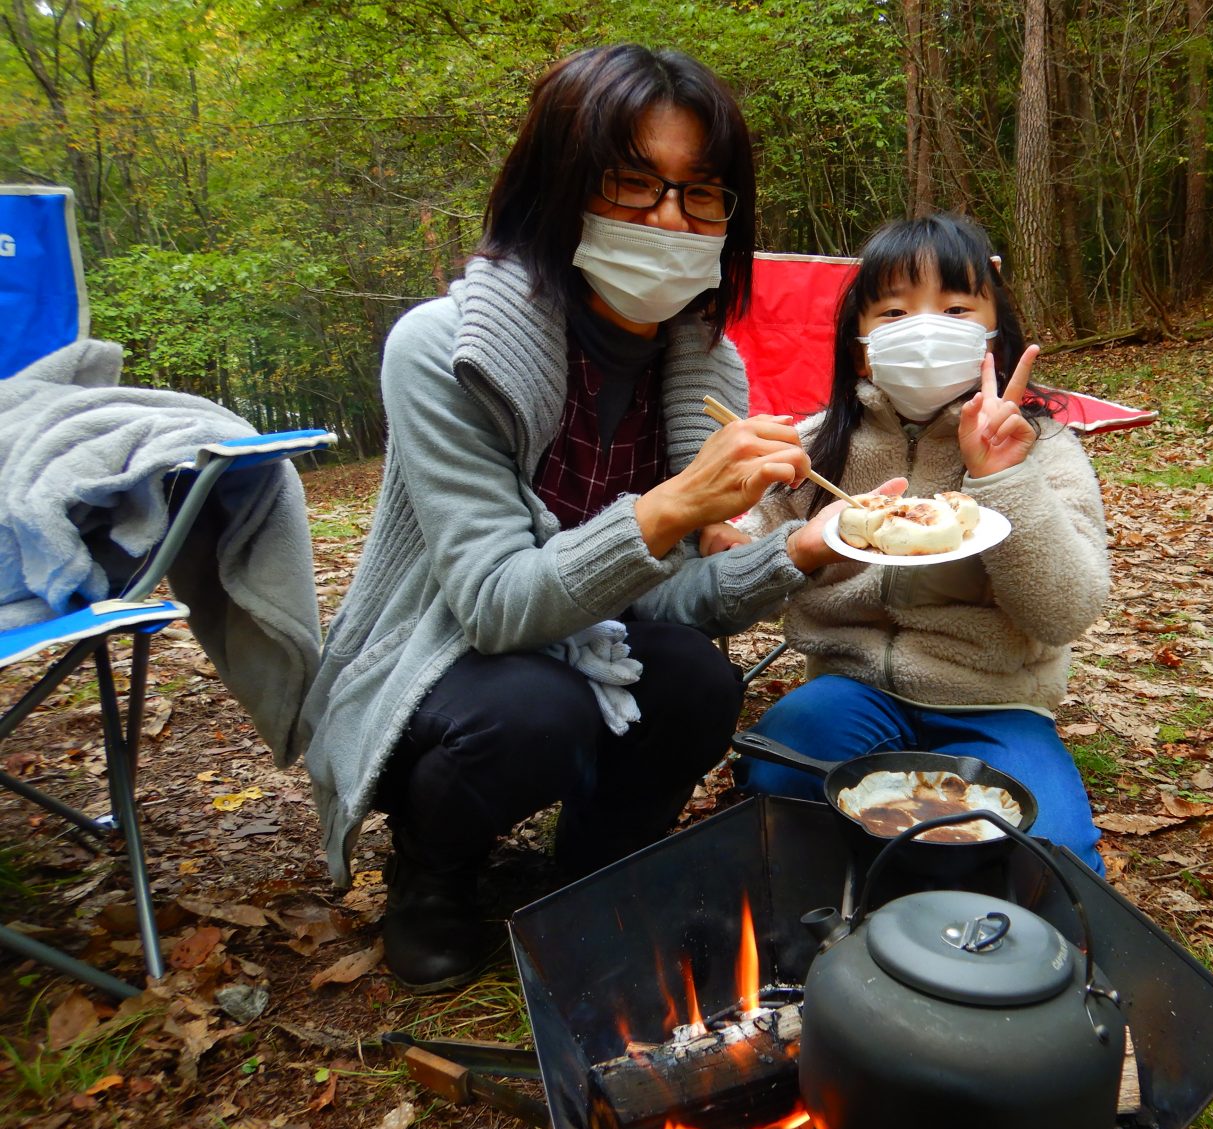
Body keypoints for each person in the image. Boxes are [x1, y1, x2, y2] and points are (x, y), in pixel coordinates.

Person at [298, 44, 835, 992]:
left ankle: (593, 866)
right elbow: (495, 607)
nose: (669, 220)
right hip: (444, 651)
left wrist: (802, 548)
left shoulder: (703, 367)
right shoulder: (446, 352)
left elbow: (676, 606)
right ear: (558, 190)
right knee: (532, 712)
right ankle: (433, 870)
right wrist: (674, 506)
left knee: (702, 686)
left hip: (595, 631)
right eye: (632, 185)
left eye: (699, 195)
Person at [731, 212, 1111, 872]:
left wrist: (1007, 480)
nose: (926, 330)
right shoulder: (816, 444)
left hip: (995, 700)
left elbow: (1066, 612)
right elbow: (740, 562)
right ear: (859, 344)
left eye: (957, 308)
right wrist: (741, 534)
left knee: (1050, 857)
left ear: (995, 334)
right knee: (776, 782)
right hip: (849, 685)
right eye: (895, 312)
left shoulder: (1040, 445)